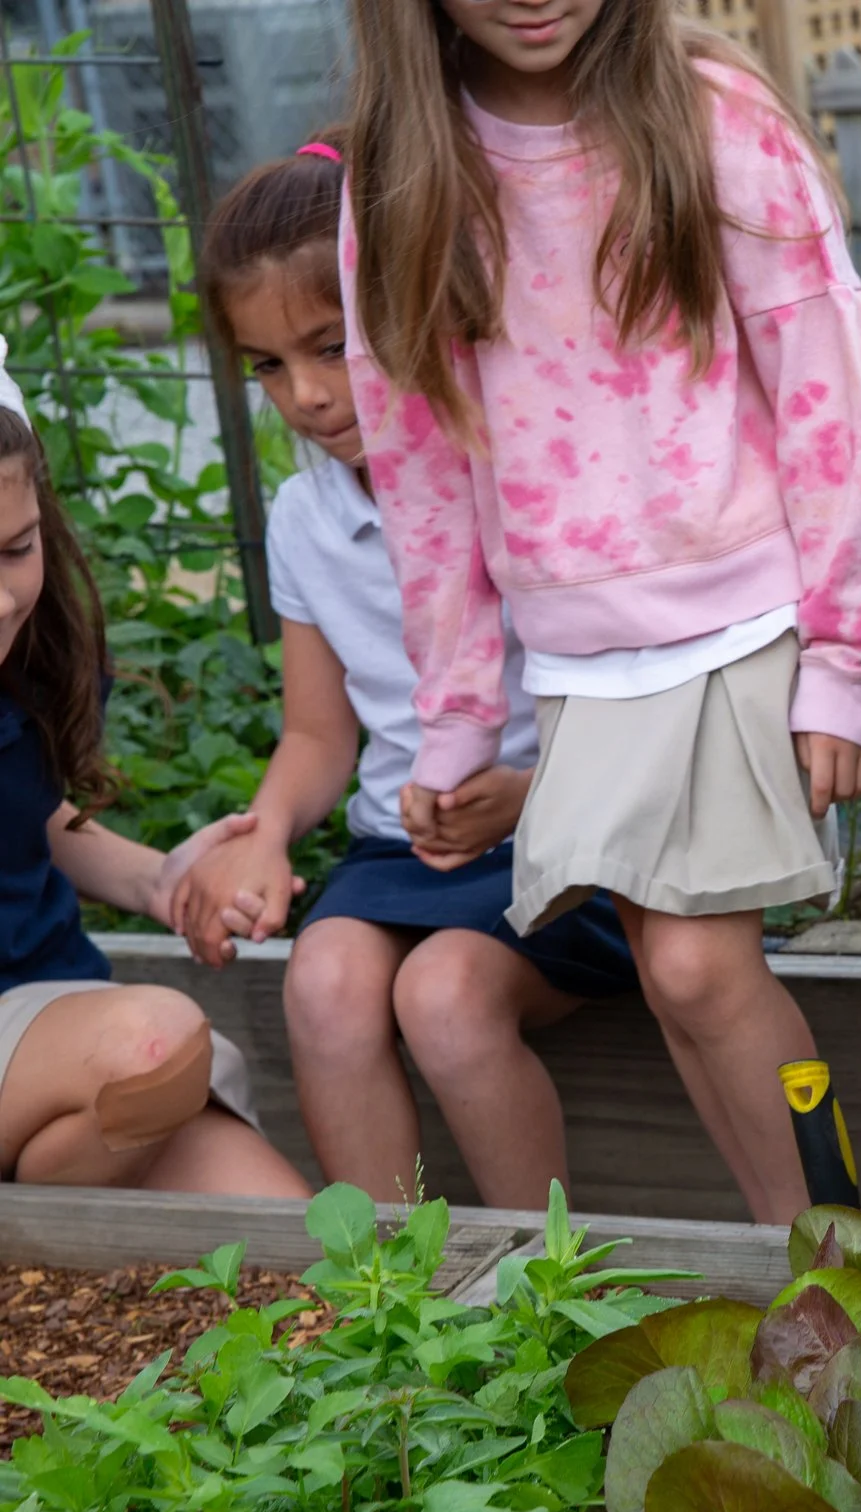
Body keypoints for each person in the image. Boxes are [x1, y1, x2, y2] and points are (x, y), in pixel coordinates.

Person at [337, 0, 861, 1221]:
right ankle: (807, 1269)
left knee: (701, 965)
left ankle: (850, 1280)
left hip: (746, 609)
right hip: (582, 658)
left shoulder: (714, 116)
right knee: (671, 972)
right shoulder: (400, 167)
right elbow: (417, 456)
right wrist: (454, 717)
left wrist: (845, 657)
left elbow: (832, 392)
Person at [170, 139, 638, 1209]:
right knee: (325, 982)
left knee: (441, 992)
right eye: (269, 367)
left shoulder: (519, 470)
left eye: (331, 347)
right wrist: (267, 832)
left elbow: (623, 687)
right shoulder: (306, 518)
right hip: (403, 846)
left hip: (565, 839)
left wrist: (532, 791)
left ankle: (542, 1294)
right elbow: (319, 735)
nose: (309, 396)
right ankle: (385, 1306)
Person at [0, 352, 308, 1198]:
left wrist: (160, 877)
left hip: (54, 1041)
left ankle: (43, 1204)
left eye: (16, 549)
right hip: (79, 1053)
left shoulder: (22, 662)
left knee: (321, 1261)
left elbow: (31, 816)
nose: (1, 599)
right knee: (154, 1042)